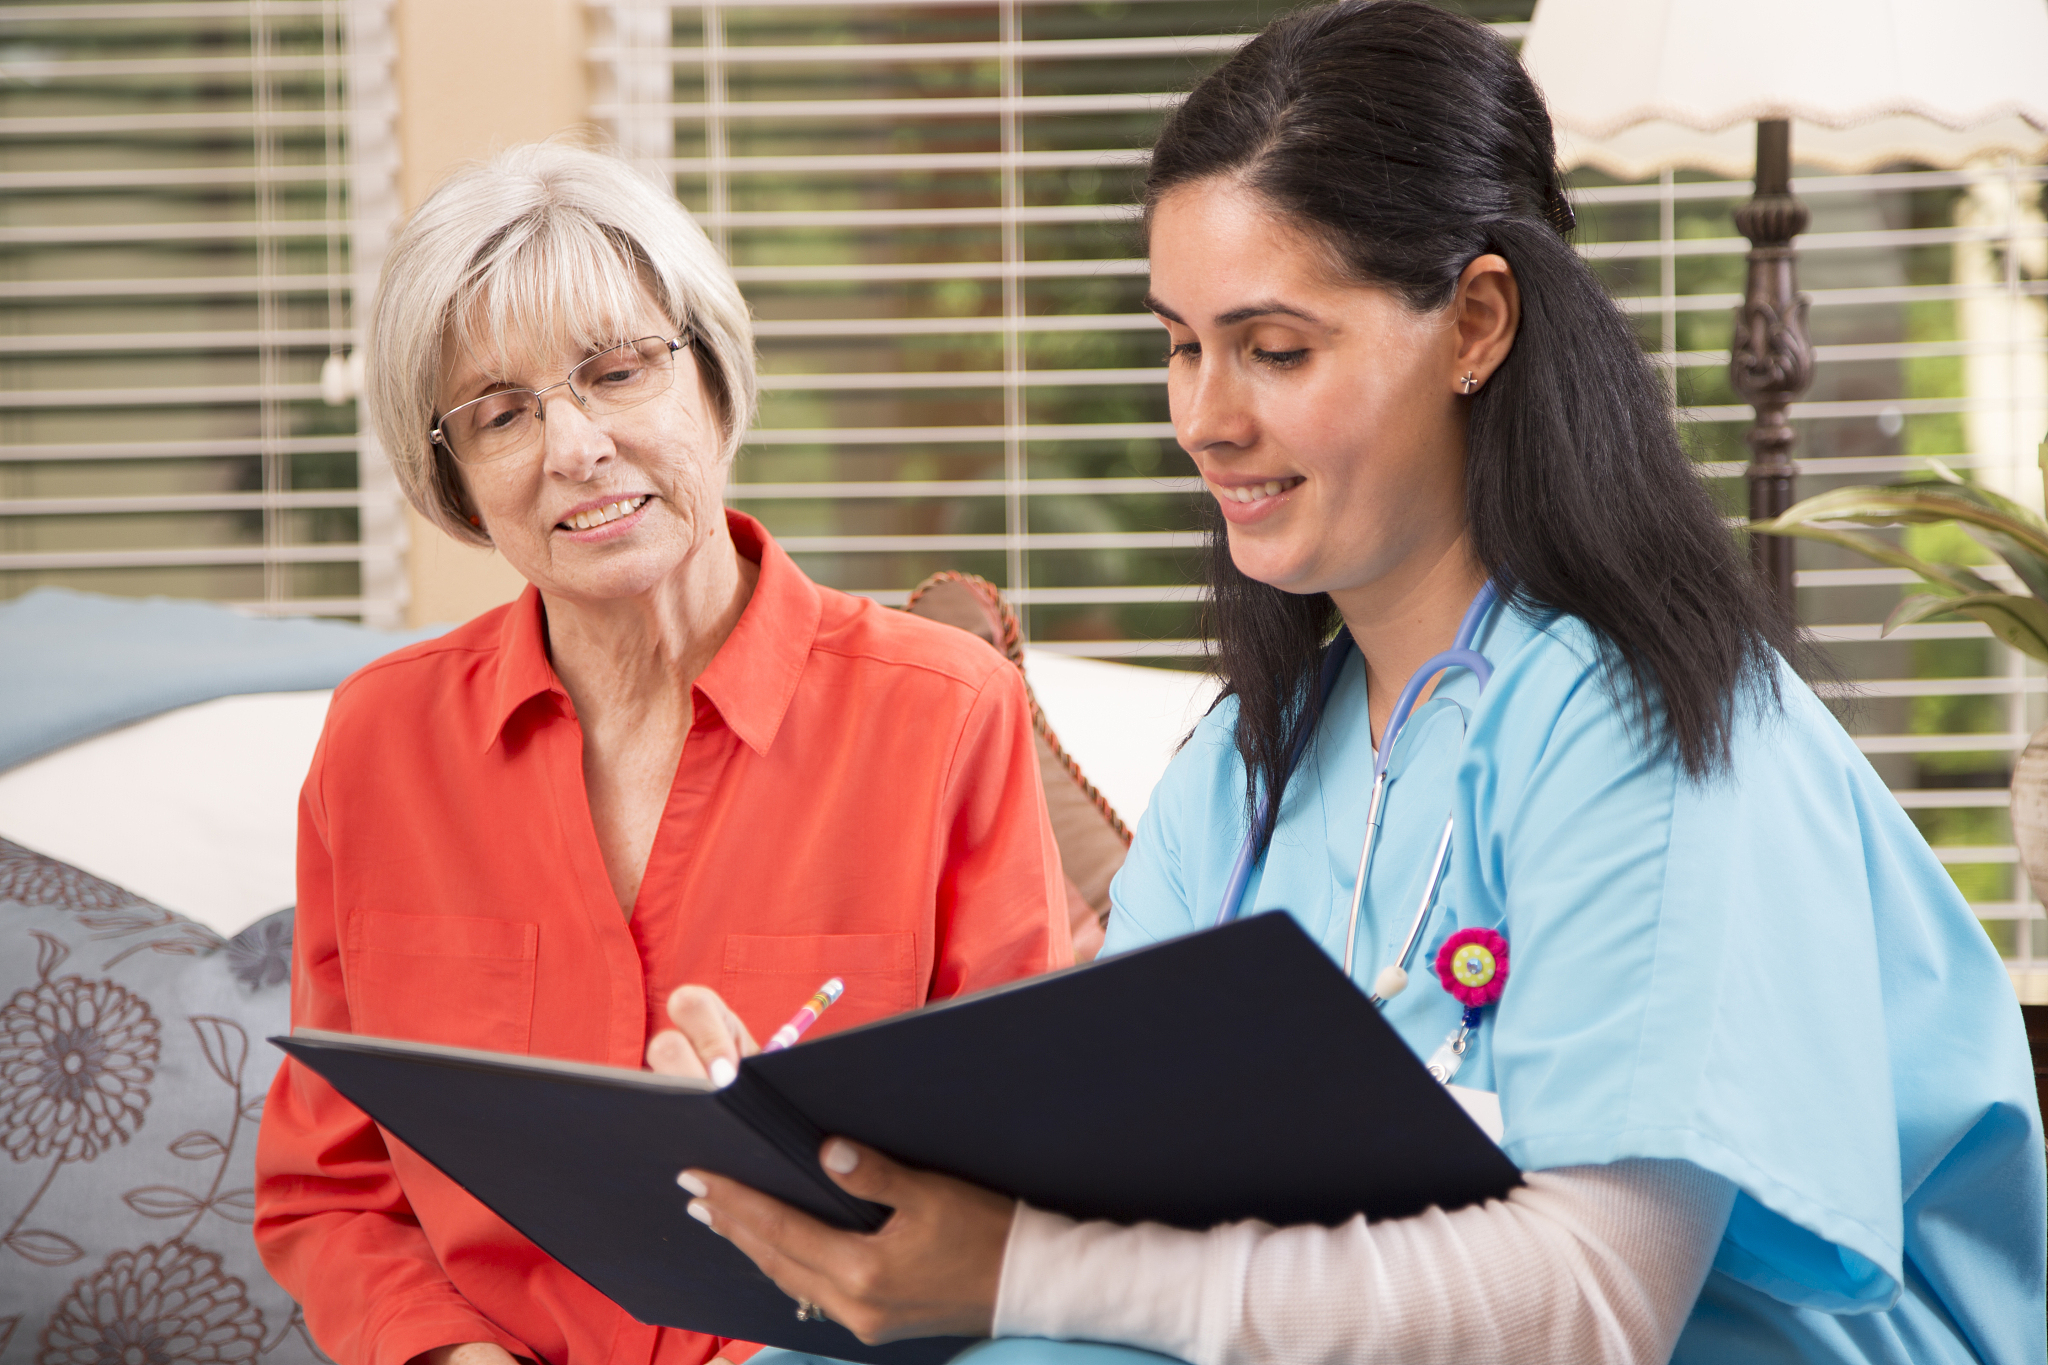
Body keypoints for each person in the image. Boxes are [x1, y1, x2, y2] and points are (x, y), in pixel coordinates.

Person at [662, 5, 2048, 1364]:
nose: (1207, 416)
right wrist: (824, 1166)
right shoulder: (1244, 772)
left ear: (1477, 324)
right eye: (1180, 343)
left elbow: (1591, 1306)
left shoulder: (1647, 723)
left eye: (1276, 349)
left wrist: (1022, 1266)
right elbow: (1123, 1174)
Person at [251, 143, 1072, 1365]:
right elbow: (334, 1190)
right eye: (502, 413)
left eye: (617, 372)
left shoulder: (941, 713)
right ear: (458, 480)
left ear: (714, 384)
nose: (575, 445)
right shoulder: (380, 742)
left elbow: (1026, 1167)